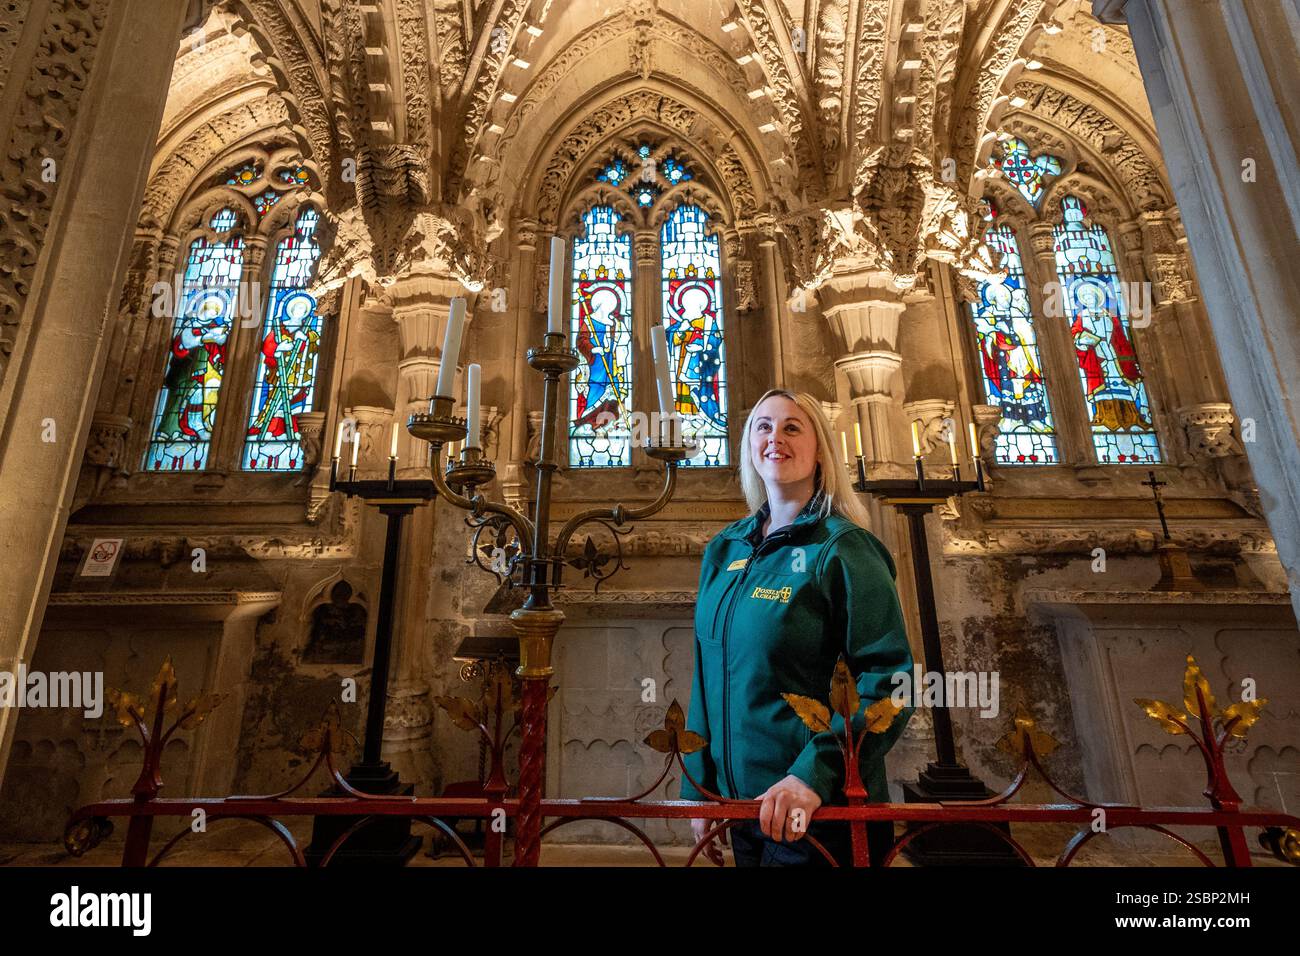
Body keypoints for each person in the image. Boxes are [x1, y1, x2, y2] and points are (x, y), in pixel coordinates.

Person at [679, 388, 915, 866]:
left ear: (820, 449)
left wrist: (812, 776)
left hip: (818, 810)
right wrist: (696, 785)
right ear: (749, 445)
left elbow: (891, 683)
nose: (775, 438)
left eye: (792, 427)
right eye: (763, 426)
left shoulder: (845, 550)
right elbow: (706, 673)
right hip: (740, 807)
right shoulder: (725, 549)